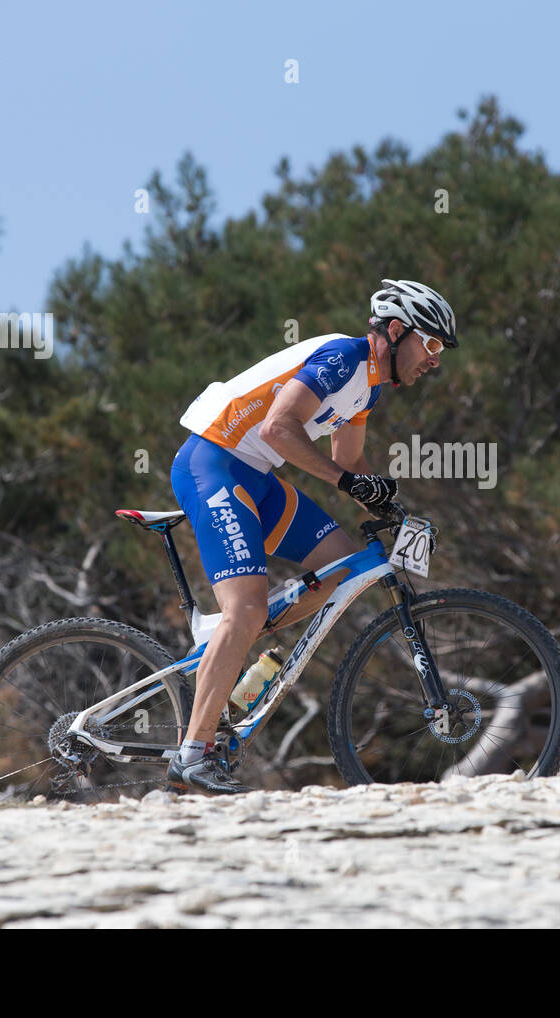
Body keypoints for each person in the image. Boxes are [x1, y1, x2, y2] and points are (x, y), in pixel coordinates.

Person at [165, 279, 458, 794]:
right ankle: (193, 753)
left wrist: (387, 502)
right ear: (395, 331)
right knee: (249, 608)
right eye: (431, 344)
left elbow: (349, 461)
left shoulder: (366, 386)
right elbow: (280, 428)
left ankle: (240, 653)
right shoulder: (345, 355)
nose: (434, 360)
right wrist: (348, 483)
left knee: (349, 567)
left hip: (254, 474)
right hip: (212, 460)